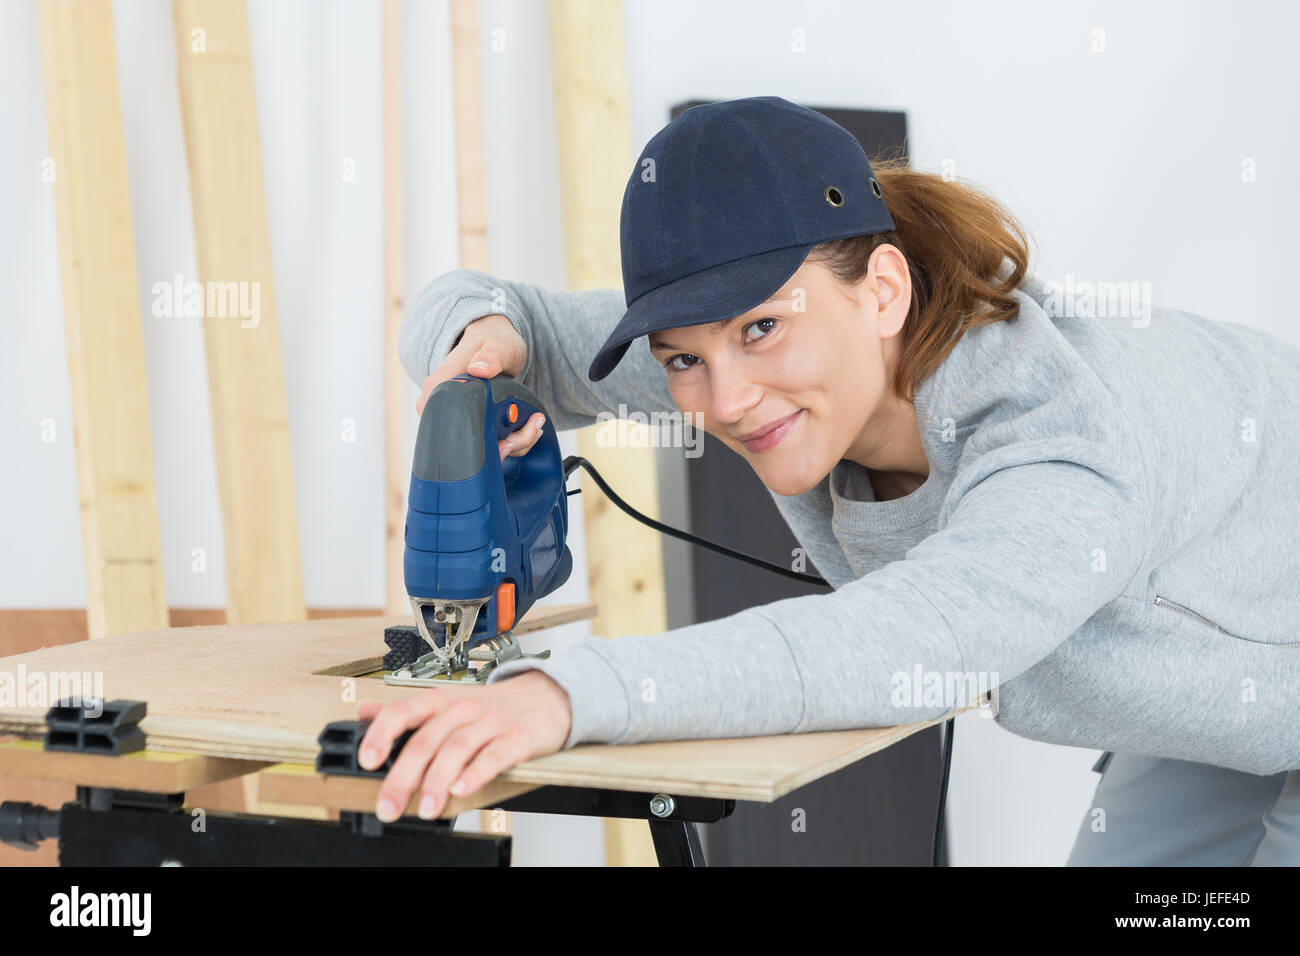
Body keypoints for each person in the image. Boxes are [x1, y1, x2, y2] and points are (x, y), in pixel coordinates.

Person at [357, 96, 1300, 865]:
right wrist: (473, 347)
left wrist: (565, 694)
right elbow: (508, 314)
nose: (725, 402)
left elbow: (908, 636)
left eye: (762, 329)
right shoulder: (757, 355)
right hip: (1228, 686)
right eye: (680, 357)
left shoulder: (1063, 441)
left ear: (883, 289)